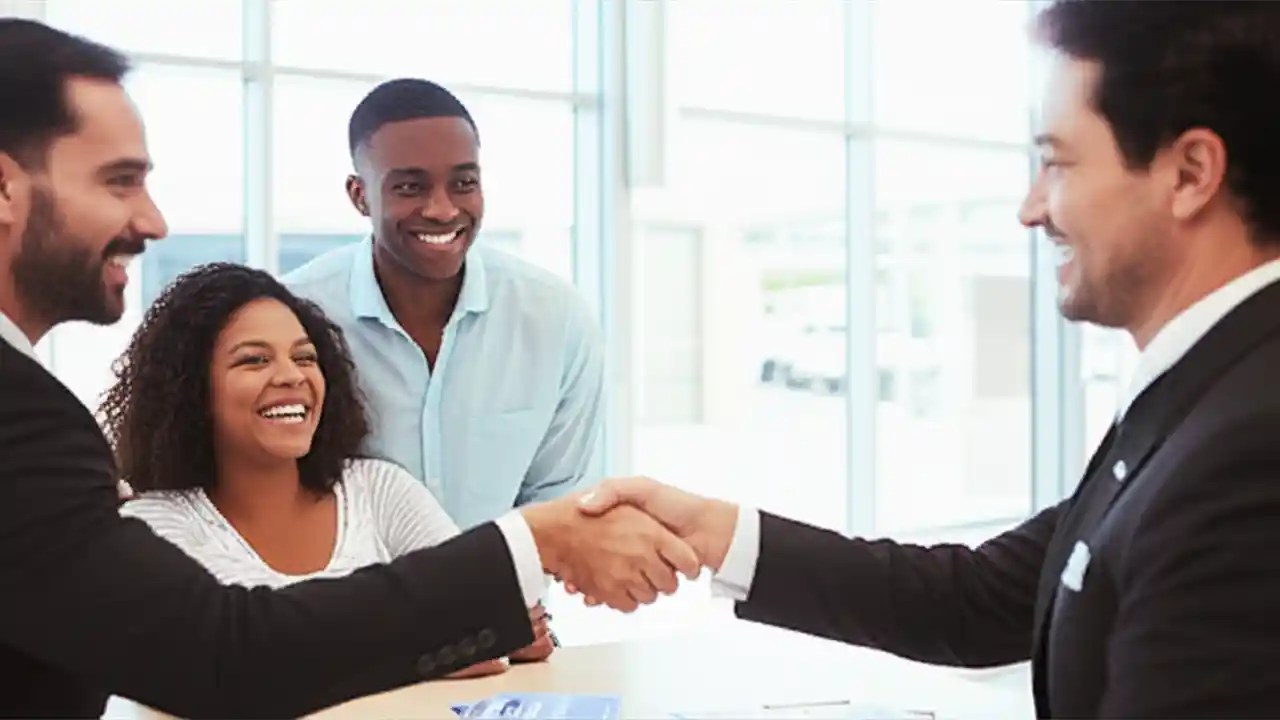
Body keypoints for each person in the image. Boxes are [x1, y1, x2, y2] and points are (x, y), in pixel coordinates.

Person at [578, 1, 1280, 717]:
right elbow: (980, 599)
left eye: (1056, 163)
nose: (1031, 208)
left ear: (1191, 173)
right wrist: (713, 534)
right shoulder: (1200, 394)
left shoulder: (1249, 445)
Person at [0, 19, 696, 718]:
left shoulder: (550, 324)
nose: (152, 222)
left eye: (305, 358)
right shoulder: (30, 426)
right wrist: (520, 553)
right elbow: (218, 654)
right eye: (118, 181)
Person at [107, 263, 555, 679]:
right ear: (192, 392)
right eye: (254, 360)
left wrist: (472, 636)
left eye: (304, 357)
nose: (291, 376)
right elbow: (231, 675)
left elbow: (489, 623)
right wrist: (431, 644)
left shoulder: (379, 490)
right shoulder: (153, 527)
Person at [283, 78, 603, 531]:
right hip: (347, 600)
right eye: (410, 188)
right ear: (359, 196)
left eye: (463, 183)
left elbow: (560, 500)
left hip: (504, 598)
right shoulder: (294, 315)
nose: (442, 209)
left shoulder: (556, 319)